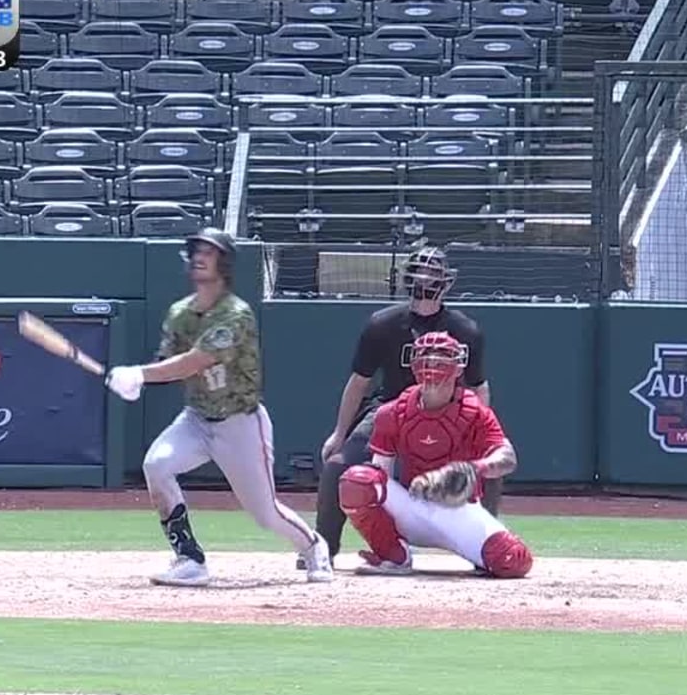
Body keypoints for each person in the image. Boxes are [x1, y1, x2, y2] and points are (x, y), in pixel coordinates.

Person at [104, 228, 334, 587]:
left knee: (264, 513)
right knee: (157, 465)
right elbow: (168, 362)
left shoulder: (236, 314)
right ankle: (189, 558)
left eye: (208, 252)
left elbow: (195, 361)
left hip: (240, 423)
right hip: (197, 419)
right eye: (196, 250)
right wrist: (136, 381)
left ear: (223, 262)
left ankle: (312, 545)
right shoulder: (180, 314)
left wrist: (140, 375)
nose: (199, 256)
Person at [305, 245, 495, 570]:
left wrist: (475, 435)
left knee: (487, 467)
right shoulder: (383, 324)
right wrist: (339, 433)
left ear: (446, 280)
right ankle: (324, 547)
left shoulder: (465, 330)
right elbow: (359, 381)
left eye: (433, 272)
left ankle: (486, 549)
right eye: (419, 270)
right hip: (390, 409)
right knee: (338, 465)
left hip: (444, 413)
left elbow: (478, 387)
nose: (425, 278)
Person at [338, 331, 533, 578]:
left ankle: (477, 553)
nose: (432, 363)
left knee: (513, 561)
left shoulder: (475, 412)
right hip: (414, 504)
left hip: (457, 510)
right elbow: (381, 475)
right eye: (426, 357)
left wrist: (476, 469)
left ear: (458, 367)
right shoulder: (392, 412)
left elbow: (508, 457)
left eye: (440, 358)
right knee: (358, 481)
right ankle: (393, 556)